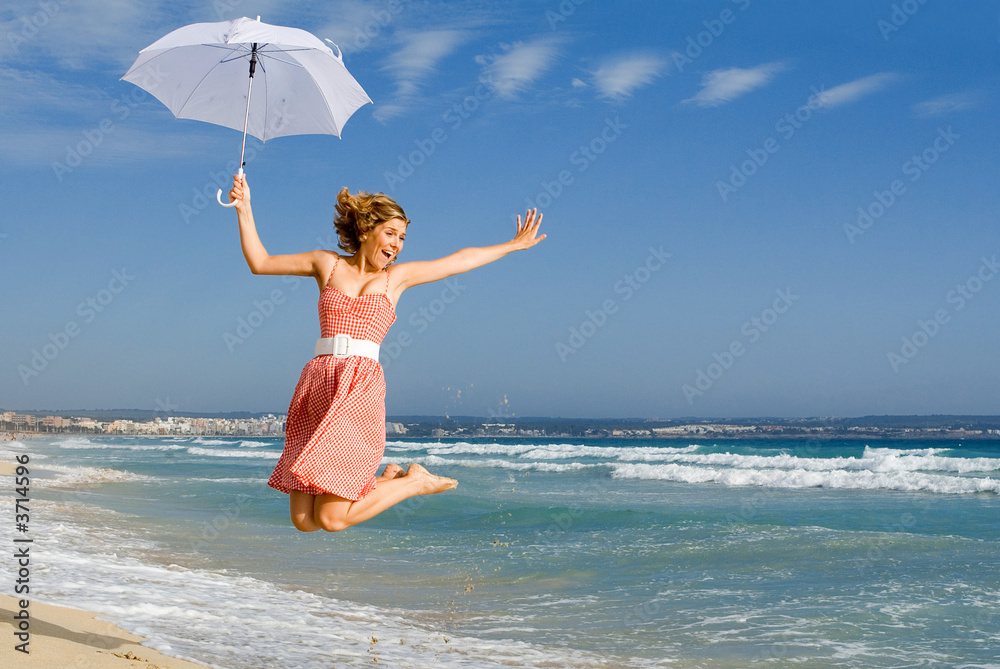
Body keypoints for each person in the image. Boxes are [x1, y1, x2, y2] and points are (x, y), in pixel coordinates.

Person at [228, 175, 545, 532]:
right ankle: (391, 479)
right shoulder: (326, 264)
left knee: (331, 519)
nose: (397, 244)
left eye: (403, 238)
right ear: (365, 229)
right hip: (318, 384)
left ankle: (414, 483)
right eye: (391, 233)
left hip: (359, 389)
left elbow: (459, 260)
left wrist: (512, 246)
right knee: (304, 520)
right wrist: (245, 207)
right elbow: (260, 261)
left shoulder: (396, 279)